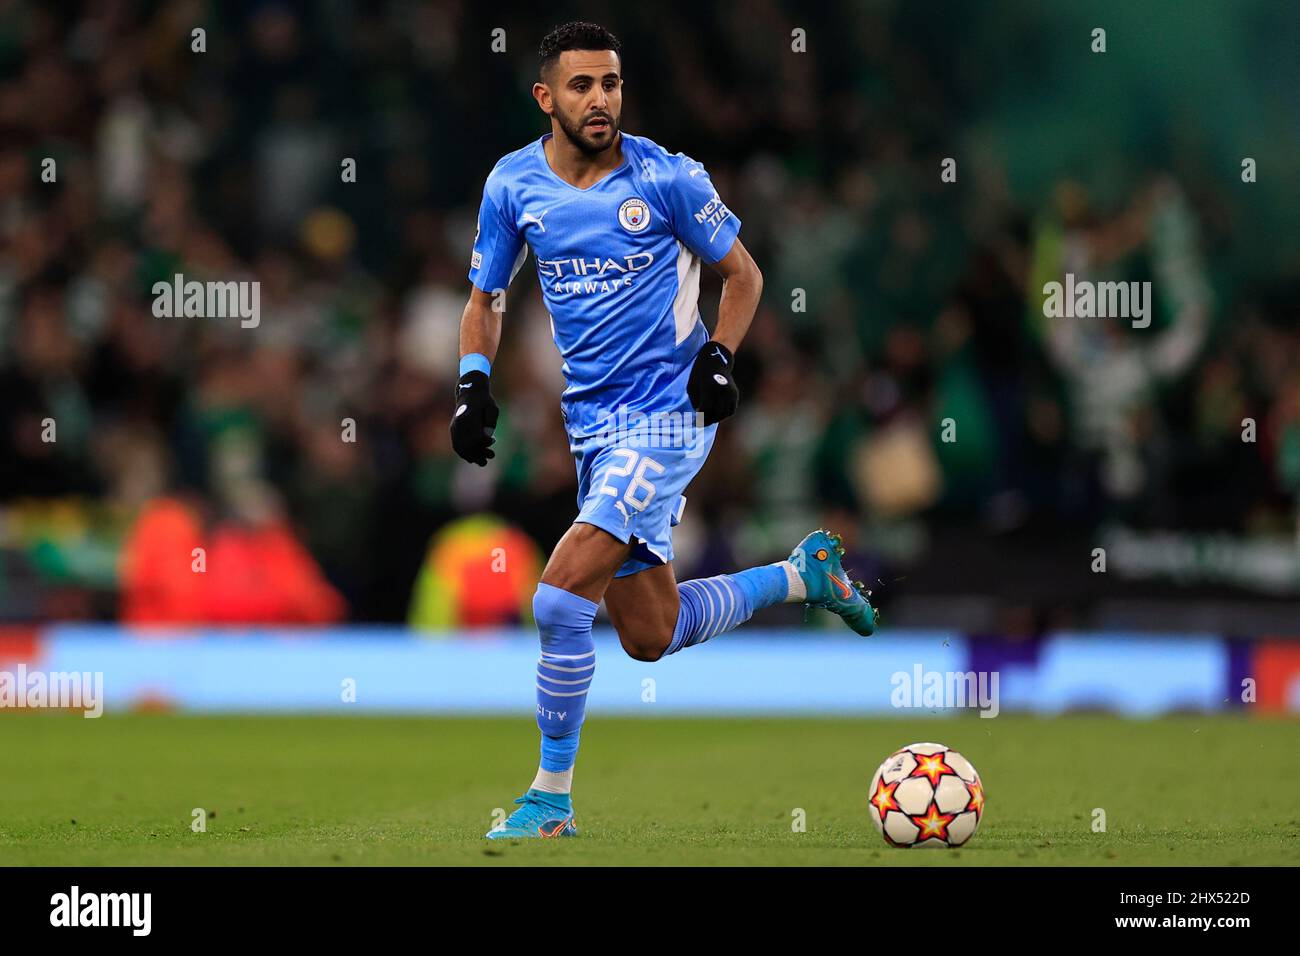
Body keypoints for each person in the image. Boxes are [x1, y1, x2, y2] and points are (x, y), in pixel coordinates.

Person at [450, 21, 876, 840]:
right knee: (650, 632)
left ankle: (549, 800)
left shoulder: (669, 179)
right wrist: (472, 387)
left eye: (610, 83)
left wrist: (720, 355)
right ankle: (801, 578)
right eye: (581, 86)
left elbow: (743, 276)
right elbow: (485, 300)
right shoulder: (512, 185)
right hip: (593, 430)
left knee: (557, 596)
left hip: (668, 417)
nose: (601, 99)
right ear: (546, 98)